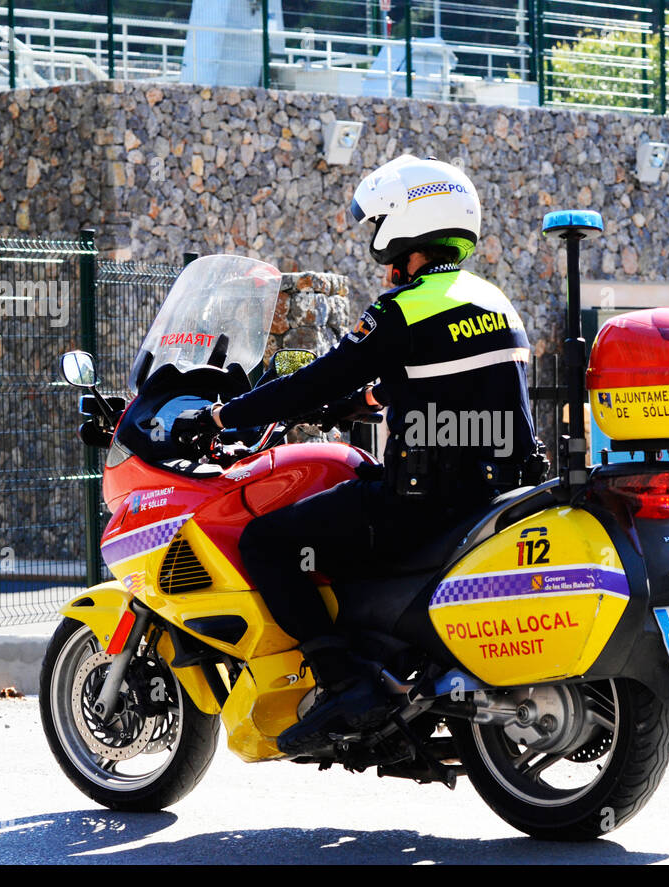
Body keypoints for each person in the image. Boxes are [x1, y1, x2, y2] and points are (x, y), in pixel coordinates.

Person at [186, 154, 540, 754]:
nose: (375, 243)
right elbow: (437, 381)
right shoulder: (492, 301)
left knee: (267, 543)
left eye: (378, 225)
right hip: (495, 492)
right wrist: (364, 402)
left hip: (420, 500)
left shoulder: (402, 308)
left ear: (407, 228)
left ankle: (343, 680)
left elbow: (315, 380)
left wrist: (222, 415)